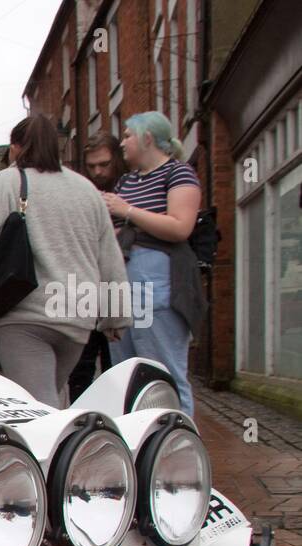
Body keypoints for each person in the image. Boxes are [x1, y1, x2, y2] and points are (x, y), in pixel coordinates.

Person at [0, 115, 131, 408]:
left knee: (39, 407)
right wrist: (116, 315)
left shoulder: (8, 181)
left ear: (15, 147)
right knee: (52, 394)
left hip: (27, 313)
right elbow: (109, 254)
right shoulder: (86, 189)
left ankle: (60, 438)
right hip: (77, 316)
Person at [101, 112, 205, 417]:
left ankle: (178, 439)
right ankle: (136, 442)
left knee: (164, 374)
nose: (122, 143)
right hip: (124, 284)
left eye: (128, 135)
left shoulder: (179, 173)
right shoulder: (127, 180)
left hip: (159, 287)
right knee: (126, 379)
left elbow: (180, 227)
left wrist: (127, 210)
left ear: (147, 138)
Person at [68, 131, 126, 401]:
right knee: (80, 371)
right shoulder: (80, 192)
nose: (98, 172)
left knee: (119, 369)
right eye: (92, 166)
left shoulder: (130, 189)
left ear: (117, 159)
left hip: (123, 289)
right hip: (85, 291)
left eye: (104, 164)